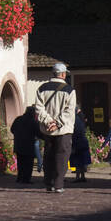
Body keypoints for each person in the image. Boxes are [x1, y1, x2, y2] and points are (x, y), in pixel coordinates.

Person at [34, 61, 76, 194]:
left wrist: (48, 122)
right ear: (63, 74)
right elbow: (69, 111)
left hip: (47, 129)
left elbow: (38, 108)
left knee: (48, 156)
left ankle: (48, 183)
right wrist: (57, 123)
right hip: (63, 129)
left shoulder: (42, 88)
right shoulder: (70, 90)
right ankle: (58, 184)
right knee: (61, 157)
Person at [11, 105, 39, 184]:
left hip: (18, 144)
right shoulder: (33, 121)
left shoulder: (18, 119)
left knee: (20, 163)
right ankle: (26, 179)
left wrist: (17, 135)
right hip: (28, 145)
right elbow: (38, 132)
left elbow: (12, 129)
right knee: (28, 163)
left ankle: (19, 178)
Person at [71, 106, 91, 182]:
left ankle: (77, 177)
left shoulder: (74, 120)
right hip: (82, 141)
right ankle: (82, 176)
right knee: (81, 161)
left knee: (77, 161)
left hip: (77, 142)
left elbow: (74, 133)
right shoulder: (79, 119)